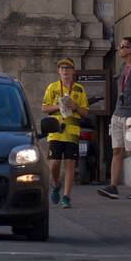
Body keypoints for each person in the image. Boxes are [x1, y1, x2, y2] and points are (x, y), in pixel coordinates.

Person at [98, 36, 131, 199]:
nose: (119, 49)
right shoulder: (123, 67)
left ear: (130, 50)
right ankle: (113, 187)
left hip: (130, 116)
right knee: (116, 150)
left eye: (123, 47)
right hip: (117, 115)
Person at [41, 58, 89, 209]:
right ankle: (56, 184)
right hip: (56, 130)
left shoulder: (79, 89)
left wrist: (75, 107)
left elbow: (85, 112)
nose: (65, 70)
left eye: (68, 68)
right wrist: (58, 105)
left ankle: (66, 196)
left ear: (73, 70)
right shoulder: (52, 87)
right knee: (54, 163)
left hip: (72, 130)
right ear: (58, 71)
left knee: (70, 163)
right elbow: (44, 108)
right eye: (62, 67)